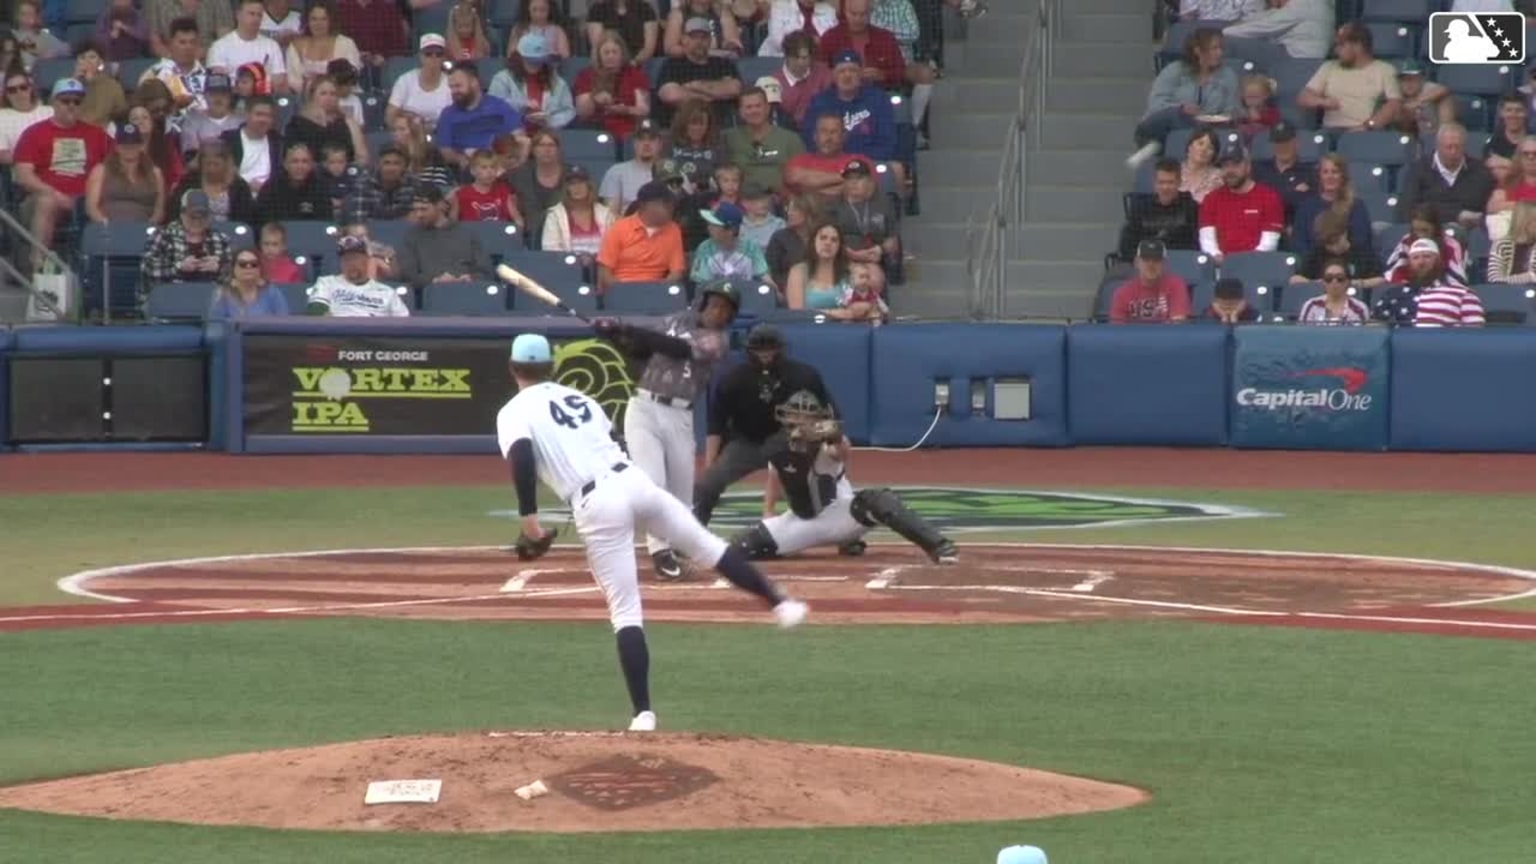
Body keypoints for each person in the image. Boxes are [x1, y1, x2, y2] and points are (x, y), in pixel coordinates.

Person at [496, 331, 808, 732]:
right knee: (706, 546)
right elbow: (611, 441)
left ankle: (643, 713)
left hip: (596, 501)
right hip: (634, 480)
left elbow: (522, 458)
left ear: (512, 369)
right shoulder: (581, 398)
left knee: (625, 609)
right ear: (552, 367)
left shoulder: (512, 411)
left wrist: (530, 524)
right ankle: (781, 604)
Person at [590, 279, 739, 580]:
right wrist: (614, 336)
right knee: (654, 483)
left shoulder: (718, 340)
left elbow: (677, 348)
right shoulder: (672, 320)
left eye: (724, 308)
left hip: (680, 415)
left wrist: (629, 329)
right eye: (714, 304)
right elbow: (641, 352)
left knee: (682, 493)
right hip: (643, 408)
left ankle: (681, 542)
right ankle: (660, 551)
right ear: (702, 302)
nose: (717, 312)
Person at [730, 388, 958, 563]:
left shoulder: (827, 445)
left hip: (838, 516)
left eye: (805, 417)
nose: (799, 422)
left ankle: (938, 546)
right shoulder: (779, 446)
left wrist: (835, 437)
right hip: (801, 522)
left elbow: (841, 452)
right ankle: (848, 542)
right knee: (740, 546)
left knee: (879, 500)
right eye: (795, 416)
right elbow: (775, 477)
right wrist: (768, 513)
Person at [696, 323, 838, 527]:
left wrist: (823, 444)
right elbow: (715, 425)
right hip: (747, 443)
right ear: (748, 350)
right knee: (708, 483)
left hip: (794, 442)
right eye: (759, 349)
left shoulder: (805, 376)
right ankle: (695, 531)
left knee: (813, 490)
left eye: (770, 349)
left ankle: (829, 524)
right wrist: (710, 465)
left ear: (781, 349)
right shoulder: (733, 379)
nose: (765, 354)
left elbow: (829, 416)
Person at [595, 181, 688, 292]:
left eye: (670, 204)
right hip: (621, 288)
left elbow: (677, 271)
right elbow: (604, 272)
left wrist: (661, 289)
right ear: (644, 205)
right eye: (664, 204)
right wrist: (621, 290)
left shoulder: (674, 230)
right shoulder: (619, 228)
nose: (670, 208)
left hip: (657, 290)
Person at [140, 190, 234, 297]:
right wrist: (179, 267)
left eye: (202, 216)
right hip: (171, 296)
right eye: (193, 216)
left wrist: (219, 268)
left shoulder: (221, 239)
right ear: (182, 214)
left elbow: (236, 274)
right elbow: (146, 268)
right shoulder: (164, 235)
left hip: (209, 299)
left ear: (209, 216)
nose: (197, 221)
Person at [1373, 238, 1486, 326]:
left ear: (1438, 261)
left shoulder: (1463, 293)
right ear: (1409, 263)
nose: (1421, 262)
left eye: (1426, 256)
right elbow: (1373, 330)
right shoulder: (1393, 294)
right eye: (1415, 258)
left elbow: (1474, 335)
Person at [489, 32, 576, 131]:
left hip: (547, 135)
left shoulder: (558, 83)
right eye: (529, 60)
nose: (534, 65)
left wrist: (549, 121)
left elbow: (568, 111)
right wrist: (521, 105)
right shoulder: (502, 79)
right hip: (511, 135)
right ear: (519, 57)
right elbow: (493, 105)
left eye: (538, 61)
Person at [306, 234, 411, 316]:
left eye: (355, 258)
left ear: (367, 260)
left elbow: (404, 324)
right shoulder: (327, 283)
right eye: (346, 260)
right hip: (338, 338)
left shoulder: (387, 292)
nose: (351, 263)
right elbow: (316, 311)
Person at [574, 30, 652, 140]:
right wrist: (594, 99)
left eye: (614, 52)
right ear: (599, 55)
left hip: (628, 129)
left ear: (622, 54)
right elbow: (582, 113)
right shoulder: (585, 76)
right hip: (595, 129)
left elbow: (644, 111)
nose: (610, 56)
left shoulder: (636, 75)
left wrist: (626, 110)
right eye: (606, 52)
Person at [85, 125, 166, 224]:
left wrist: (150, 225)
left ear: (141, 146)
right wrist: (104, 223)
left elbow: (159, 209)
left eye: (133, 144)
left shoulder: (155, 173)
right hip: (108, 228)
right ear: (117, 147)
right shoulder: (101, 170)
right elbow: (91, 207)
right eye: (124, 144)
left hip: (143, 228)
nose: (129, 147)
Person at [209, 0, 290, 94]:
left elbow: (279, 81)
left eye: (259, 15)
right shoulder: (219, 46)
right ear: (238, 15)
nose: (256, 19)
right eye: (251, 14)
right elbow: (219, 83)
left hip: (264, 99)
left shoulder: (272, 46)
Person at [168, 139, 257, 224]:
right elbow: (174, 210)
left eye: (216, 164)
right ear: (201, 163)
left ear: (226, 163)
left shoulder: (239, 186)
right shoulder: (189, 181)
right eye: (208, 164)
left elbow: (245, 219)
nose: (211, 169)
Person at [286, 1, 361, 92]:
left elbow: (351, 78)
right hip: (307, 99)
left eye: (324, 19)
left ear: (331, 21)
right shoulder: (296, 46)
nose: (318, 24)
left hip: (343, 97)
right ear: (307, 21)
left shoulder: (346, 43)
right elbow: (293, 81)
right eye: (314, 19)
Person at [1109, 239, 1191, 323]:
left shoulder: (1176, 285)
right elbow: (1117, 332)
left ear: (1164, 263)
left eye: (1156, 260)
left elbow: (1177, 325)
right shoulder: (1122, 293)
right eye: (1146, 260)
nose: (1151, 265)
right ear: (1136, 263)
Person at [541, 165, 615, 258]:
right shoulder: (555, 216)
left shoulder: (606, 214)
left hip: (601, 267)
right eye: (572, 184)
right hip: (568, 269)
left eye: (581, 183)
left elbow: (614, 248)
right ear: (566, 188)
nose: (577, 187)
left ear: (589, 186)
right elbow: (551, 253)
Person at [253, 141, 333, 225]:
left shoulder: (320, 189)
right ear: (285, 165)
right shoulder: (270, 189)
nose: (300, 166)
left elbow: (326, 223)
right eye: (294, 161)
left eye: (304, 161)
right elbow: (264, 224)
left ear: (311, 165)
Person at [387, 33, 451, 131]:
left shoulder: (450, 82)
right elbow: (390, 117)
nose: (433, 58)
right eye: (428, 54)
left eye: (438, 54)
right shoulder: (405, 81)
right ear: (421, 56)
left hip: (442, 134)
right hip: (410, 135)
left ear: (444, 58)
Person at [210, 247, 291, 317]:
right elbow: (215, 328)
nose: (248, 267)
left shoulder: (272, 292)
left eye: (254, 264)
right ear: (233, 268)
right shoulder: (222, 294)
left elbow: (284, 322)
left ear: (259, 269)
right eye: (242, 264)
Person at [1296, 257, 1370, 324]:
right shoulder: (1311, 305)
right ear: (1323, 282)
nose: (1334, 282)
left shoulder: (1360, 308)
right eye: (1329, 278)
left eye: (1340, 278)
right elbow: (1303, 335)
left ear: (1348, 281)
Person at [508, 0, 572, 60]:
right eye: (534, 10)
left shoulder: (557, 30)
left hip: (549, 67)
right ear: (528, 9)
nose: (538, 14)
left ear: (550, 10)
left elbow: (565, 55)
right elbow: (511, 55)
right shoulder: (519, 29)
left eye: (543, 10)